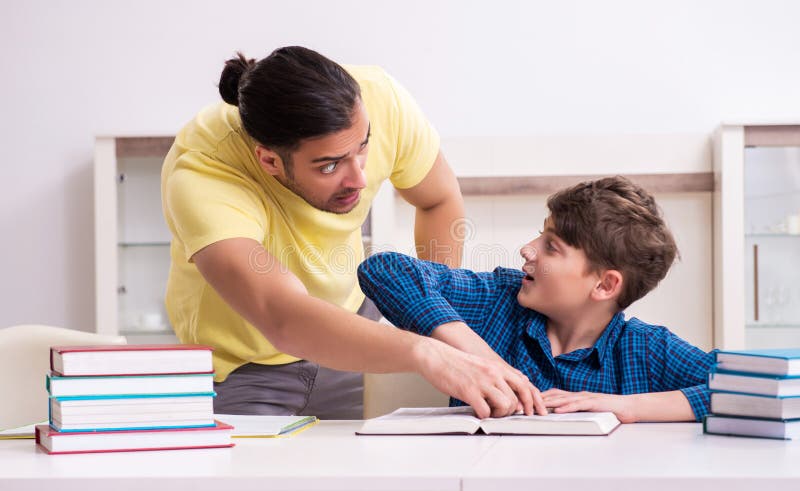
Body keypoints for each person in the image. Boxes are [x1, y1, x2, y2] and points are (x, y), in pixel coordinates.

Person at [161, 46, 540, 420]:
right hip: (249, 366)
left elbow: (438, 199)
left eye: (363, 148)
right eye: (329, 166)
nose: (359, 178)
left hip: (354, 326)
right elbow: (283, 317)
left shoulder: (379, 99)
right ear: (270, 161)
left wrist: (434, 318)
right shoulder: (204, 172)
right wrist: (426, 352)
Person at [358, 176, 716, 423]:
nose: (527, 250)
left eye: (551, 247)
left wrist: (625, 407)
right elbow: (382, 270)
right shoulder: (498, 299)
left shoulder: (646, 350)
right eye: (539, 236)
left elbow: (755, 390)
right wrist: (483, 359)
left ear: (605, 286)